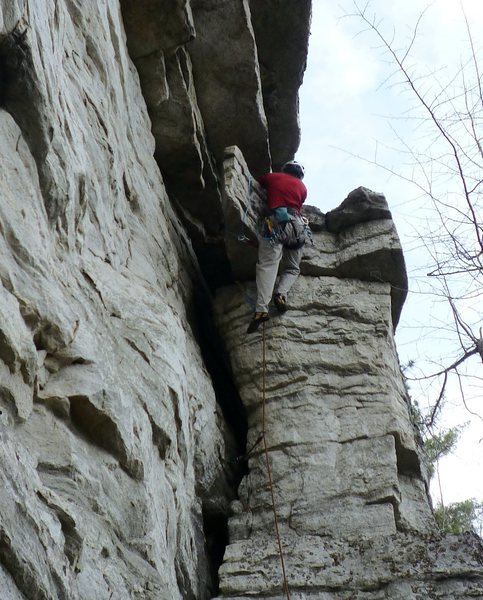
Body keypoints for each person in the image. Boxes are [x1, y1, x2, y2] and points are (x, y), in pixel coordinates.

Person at [247, 160, 307, 334]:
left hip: (276, 222)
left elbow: (259, 183)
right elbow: (298, 205)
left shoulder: (273, 177)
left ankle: (261, 310)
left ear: (286, 169)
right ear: (300, 174)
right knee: (293, 268)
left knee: (268, 264)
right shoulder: (303, 188)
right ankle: (281, 293)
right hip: (297, 226)